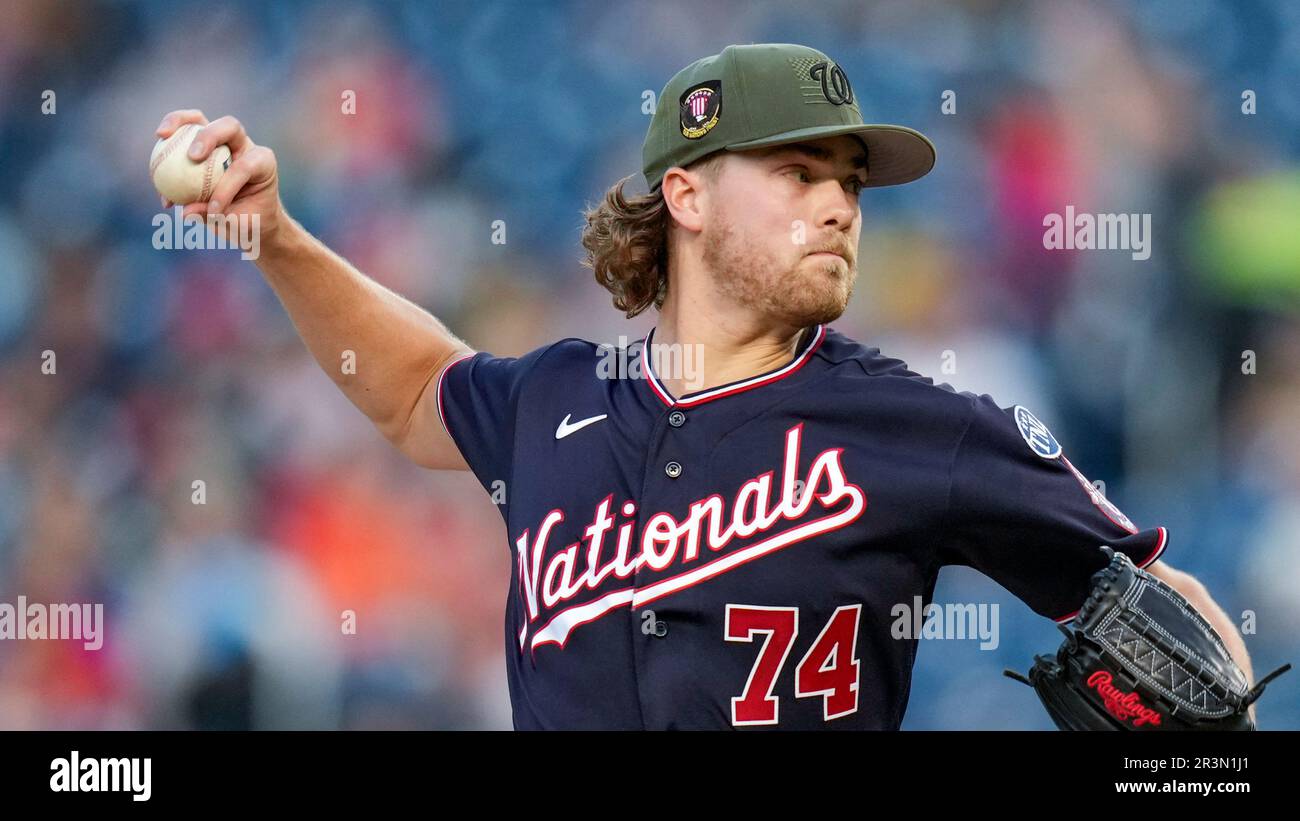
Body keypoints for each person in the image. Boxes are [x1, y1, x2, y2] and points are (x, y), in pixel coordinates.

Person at [155, 42, 1255, 729]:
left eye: (849, 185)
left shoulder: (928, 427)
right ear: (684, 195)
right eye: (796, 173)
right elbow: (412, 387)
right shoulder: (553, 401)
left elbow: (1166, 616)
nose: (838, 207)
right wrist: (275, 236)